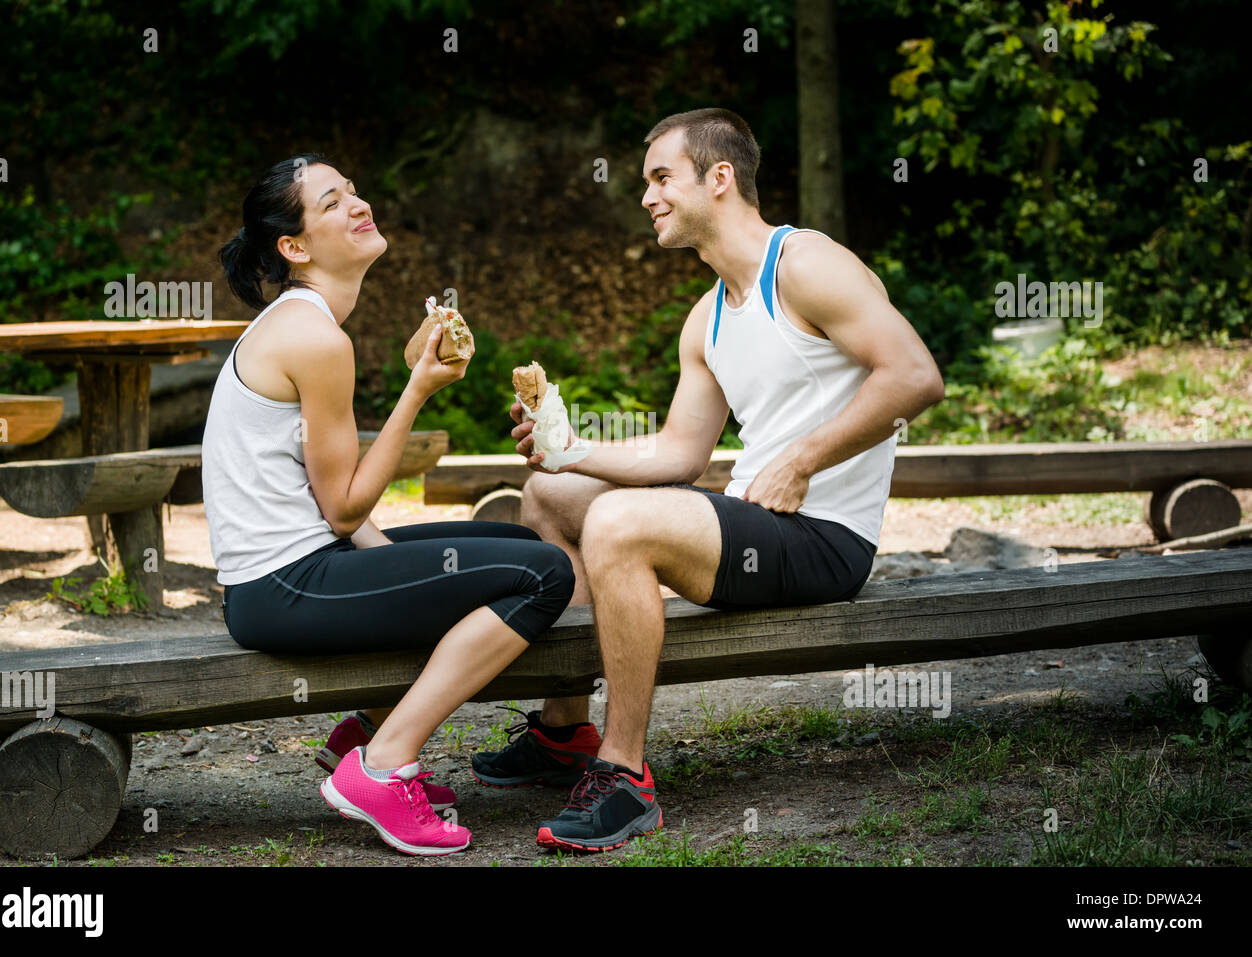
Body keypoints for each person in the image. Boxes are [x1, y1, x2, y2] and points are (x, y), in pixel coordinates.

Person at [470, 109, 945, 851]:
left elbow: (916, 376)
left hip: (826, 540)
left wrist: (803, 458)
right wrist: (568, 450)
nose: (647, 197)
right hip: (756, 520)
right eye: (645, 183)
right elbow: (680, 453)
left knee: (619, 525)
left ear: (719, 177)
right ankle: (564, 727)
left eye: (662, 178)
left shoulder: (806, 263)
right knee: (551, 498)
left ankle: (624, 776)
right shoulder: (709, 316)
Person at [204, 153, 574, 856]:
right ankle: (379, 764)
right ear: (296, 246)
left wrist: (400, 565)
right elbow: (341, 508)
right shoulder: (315, 337)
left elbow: (321, 495)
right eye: (332, 201)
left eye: (353, 188)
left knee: (525, 552)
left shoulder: (302, 322)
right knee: (545, 576)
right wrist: (418, 389)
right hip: (282, 587)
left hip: (292, 572)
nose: (357, 203)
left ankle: (367, 726)